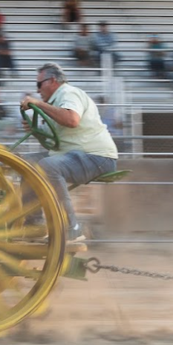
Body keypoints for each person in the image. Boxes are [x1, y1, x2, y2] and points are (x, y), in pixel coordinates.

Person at [20, 63, 118, 242]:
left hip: (97, 156)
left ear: (52, 81)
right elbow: (51, 142)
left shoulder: (68, 93)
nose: (38, 90)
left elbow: (72, 120)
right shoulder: (55, 105)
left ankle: (72, 227)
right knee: (25, 164)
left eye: (39, 85)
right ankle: (33, 224)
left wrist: (38, 104)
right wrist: (34, 129)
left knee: (48, 166)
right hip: (74, 155)